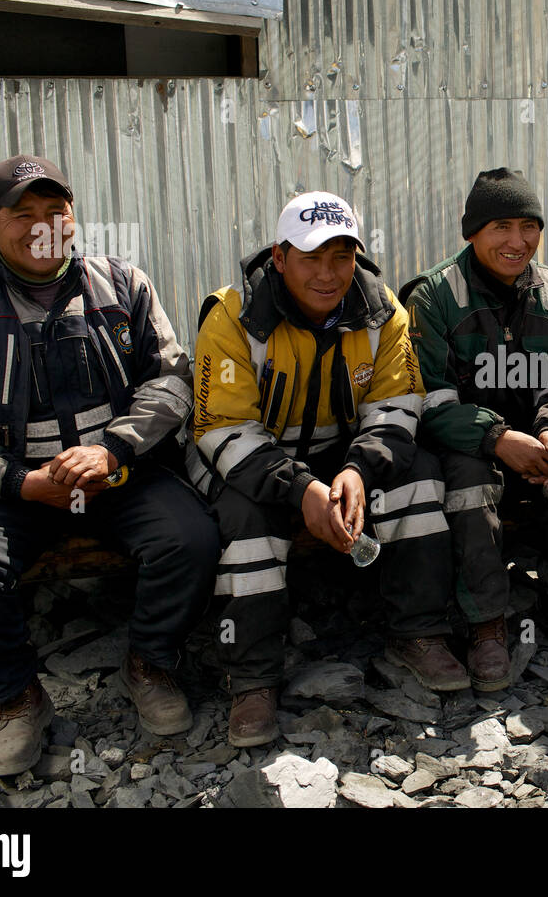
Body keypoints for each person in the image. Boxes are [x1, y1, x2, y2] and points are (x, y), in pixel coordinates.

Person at [0, 155, 219, 777]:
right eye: (23, 215)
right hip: (8, 488)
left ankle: (151, 662)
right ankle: (16, 699)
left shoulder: (125, 284)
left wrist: (114, 448)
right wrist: (20, 481)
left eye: (56, 212)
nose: (42, 226)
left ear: (73, 218)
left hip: (116, 476)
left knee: (192, 536)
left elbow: (173, 382)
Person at [189, 192, 465, 747]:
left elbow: (398, 404)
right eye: (311, 257)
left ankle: (420, 633)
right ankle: (253, 675)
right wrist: (302, 488)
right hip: (249, 455)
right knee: (247, 517)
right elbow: (222, 427)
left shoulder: (383, 310)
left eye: (341, 257)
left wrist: (359, 471)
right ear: (280, 256)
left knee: (419, 475)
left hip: (342, 451)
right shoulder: (231, 315)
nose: (327, 273)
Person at [400, 168, 548, 691]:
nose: (518, 242)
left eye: (529, 226)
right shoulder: (433, 296)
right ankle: (486, 621)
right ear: (472, 233)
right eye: (501, 227)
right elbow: (429, 399)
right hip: (470, 443)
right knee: (467, 481)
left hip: (534, 440)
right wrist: (497, 439)